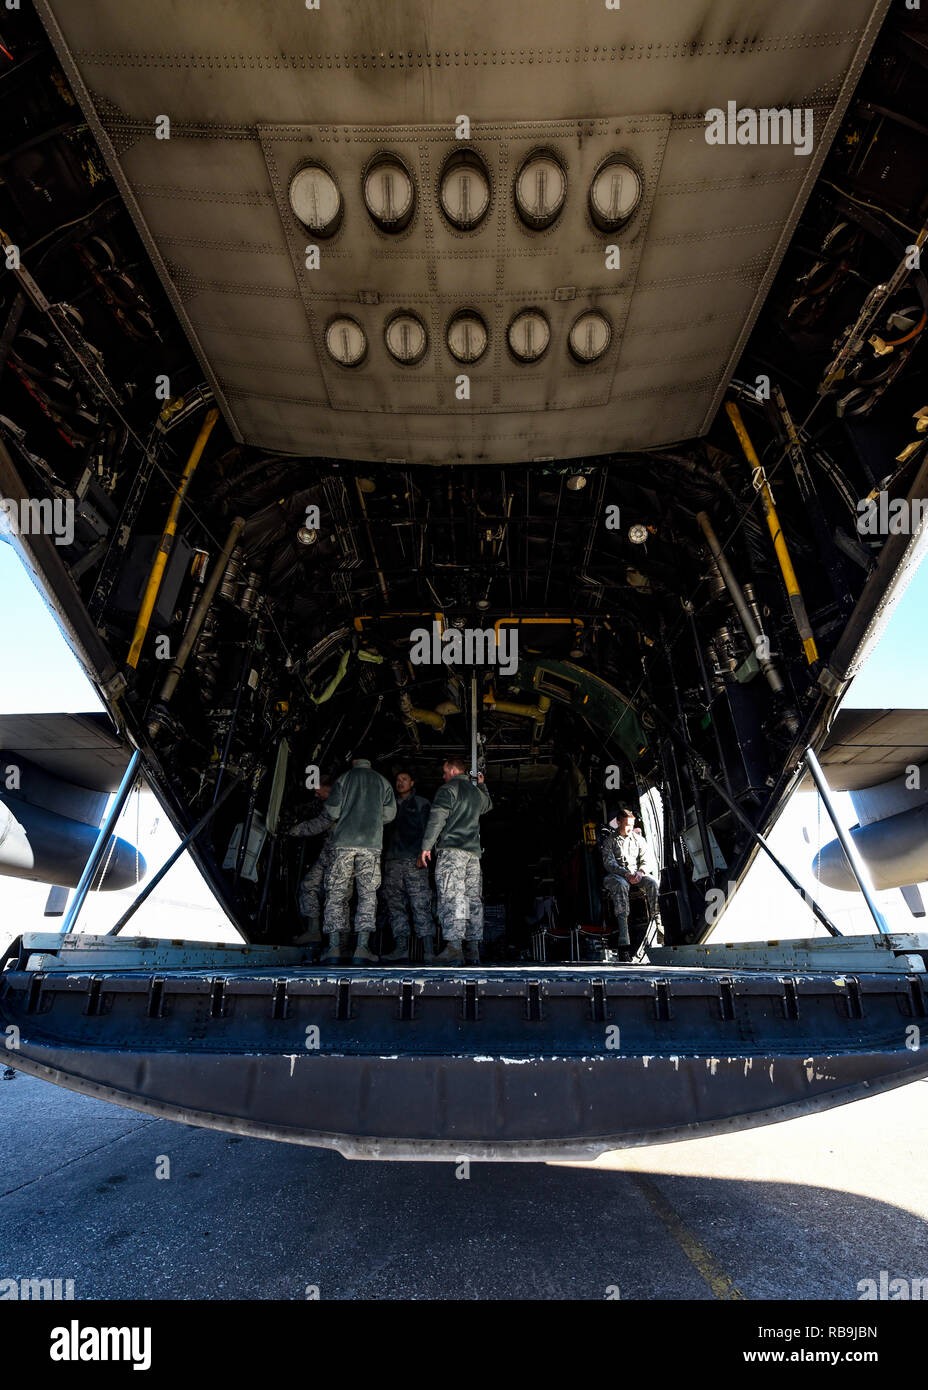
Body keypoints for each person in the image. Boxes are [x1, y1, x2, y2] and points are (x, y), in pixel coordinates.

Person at [322, 754, 396, 964]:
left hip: (343, 843)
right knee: (367, 895)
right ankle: (362, 948)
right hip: (371, 845)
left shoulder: (344, 779)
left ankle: (335, 948)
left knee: (336, 894)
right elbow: (390, 814)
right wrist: (372, 820)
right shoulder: (382, 782)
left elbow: (332, 810)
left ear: (353, 761)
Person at [418, 757, 492, 965]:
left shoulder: (448, 789)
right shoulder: (475, 791)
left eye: (444, 771)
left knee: (453, 898)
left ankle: (453, 948)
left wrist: (425, 847)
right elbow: (487, 805)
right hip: (473, 856)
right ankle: (473, 949)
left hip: (453, 853)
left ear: (452, 770)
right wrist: (482, 784)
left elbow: (437, 819)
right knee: (471, 900)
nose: (443, 776)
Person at [380, 769, 435, 962]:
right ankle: (401, 948)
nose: (400, 783)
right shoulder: (389, 805)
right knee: (395, 905)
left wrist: (424, 852)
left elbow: (430, 830)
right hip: (392, 862)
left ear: (412, 783)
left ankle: (428, 951)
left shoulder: (421, 804)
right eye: (397, 780)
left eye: (404, 780)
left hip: (414, 861)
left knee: (420, 904)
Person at [287, 774, 335, 947]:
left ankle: (332, 941)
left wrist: (292, 830)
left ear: (327, 787)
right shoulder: (336, 800)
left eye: (317, 790)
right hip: (331, 851)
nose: (316, 794)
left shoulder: (336, 801)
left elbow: (318, 825)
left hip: (337, 852)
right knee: (311, 887)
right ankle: (315, 933)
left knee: (334, 895)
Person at [600, 806, 659, 946]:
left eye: (632, 825)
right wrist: (626, 874)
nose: (630, 828)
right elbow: (609, 864)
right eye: (627, 825)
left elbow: (647, 859)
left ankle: (658, 922)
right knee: (621, 884)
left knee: (653, 882)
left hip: (636, 875)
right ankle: (623, 932)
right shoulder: (609, 841)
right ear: (619, 823)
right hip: (616, 876)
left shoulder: (638, 839)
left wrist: (640, 872)